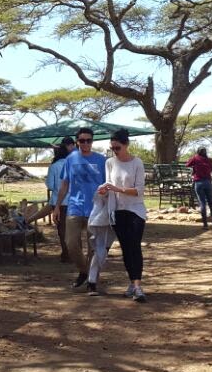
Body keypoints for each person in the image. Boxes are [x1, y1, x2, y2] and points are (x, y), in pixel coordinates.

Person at [54, 127, 108, 292]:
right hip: (75, 207)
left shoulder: (101, 160)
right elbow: (64, 184)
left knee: (94, 247)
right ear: (77, 141)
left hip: (96, 209)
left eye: (89, 140)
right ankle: (84, 271)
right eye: (82, 140)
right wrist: (57, 206)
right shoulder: (71, 159)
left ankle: (92, 282)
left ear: (92, 141)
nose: (86, 143)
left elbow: (108, 185)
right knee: (71, 242)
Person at [98, 129, 148, 302]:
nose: (115, 151)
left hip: (135, 211)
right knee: (126, 249)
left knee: (135, 246)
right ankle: (133, 282)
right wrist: (104, 190)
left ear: (126, 145)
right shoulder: (110, 163)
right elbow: (108, 185)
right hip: (117, 211)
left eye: (118, 148)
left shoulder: (137, 163)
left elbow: (139, 191)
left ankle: (137, 286)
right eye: (112, 148)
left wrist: (118, 189)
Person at [43, 136, 75, 261]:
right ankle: (75, 253)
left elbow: (50, 185)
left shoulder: (54, 166)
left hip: (59, 203)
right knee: (73, 230)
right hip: (74, 201)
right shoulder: (73, 164)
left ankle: (66, 254)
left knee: (62, 230)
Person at [186, 147, 212, 230]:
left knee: (202, 203)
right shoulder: (209, 160)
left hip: (199, 182)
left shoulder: (195, 158)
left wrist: (194, 167)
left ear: (198, 152)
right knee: (211, 203)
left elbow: (187, 164)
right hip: (208, 182)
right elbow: (211, 169)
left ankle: (205, 225)